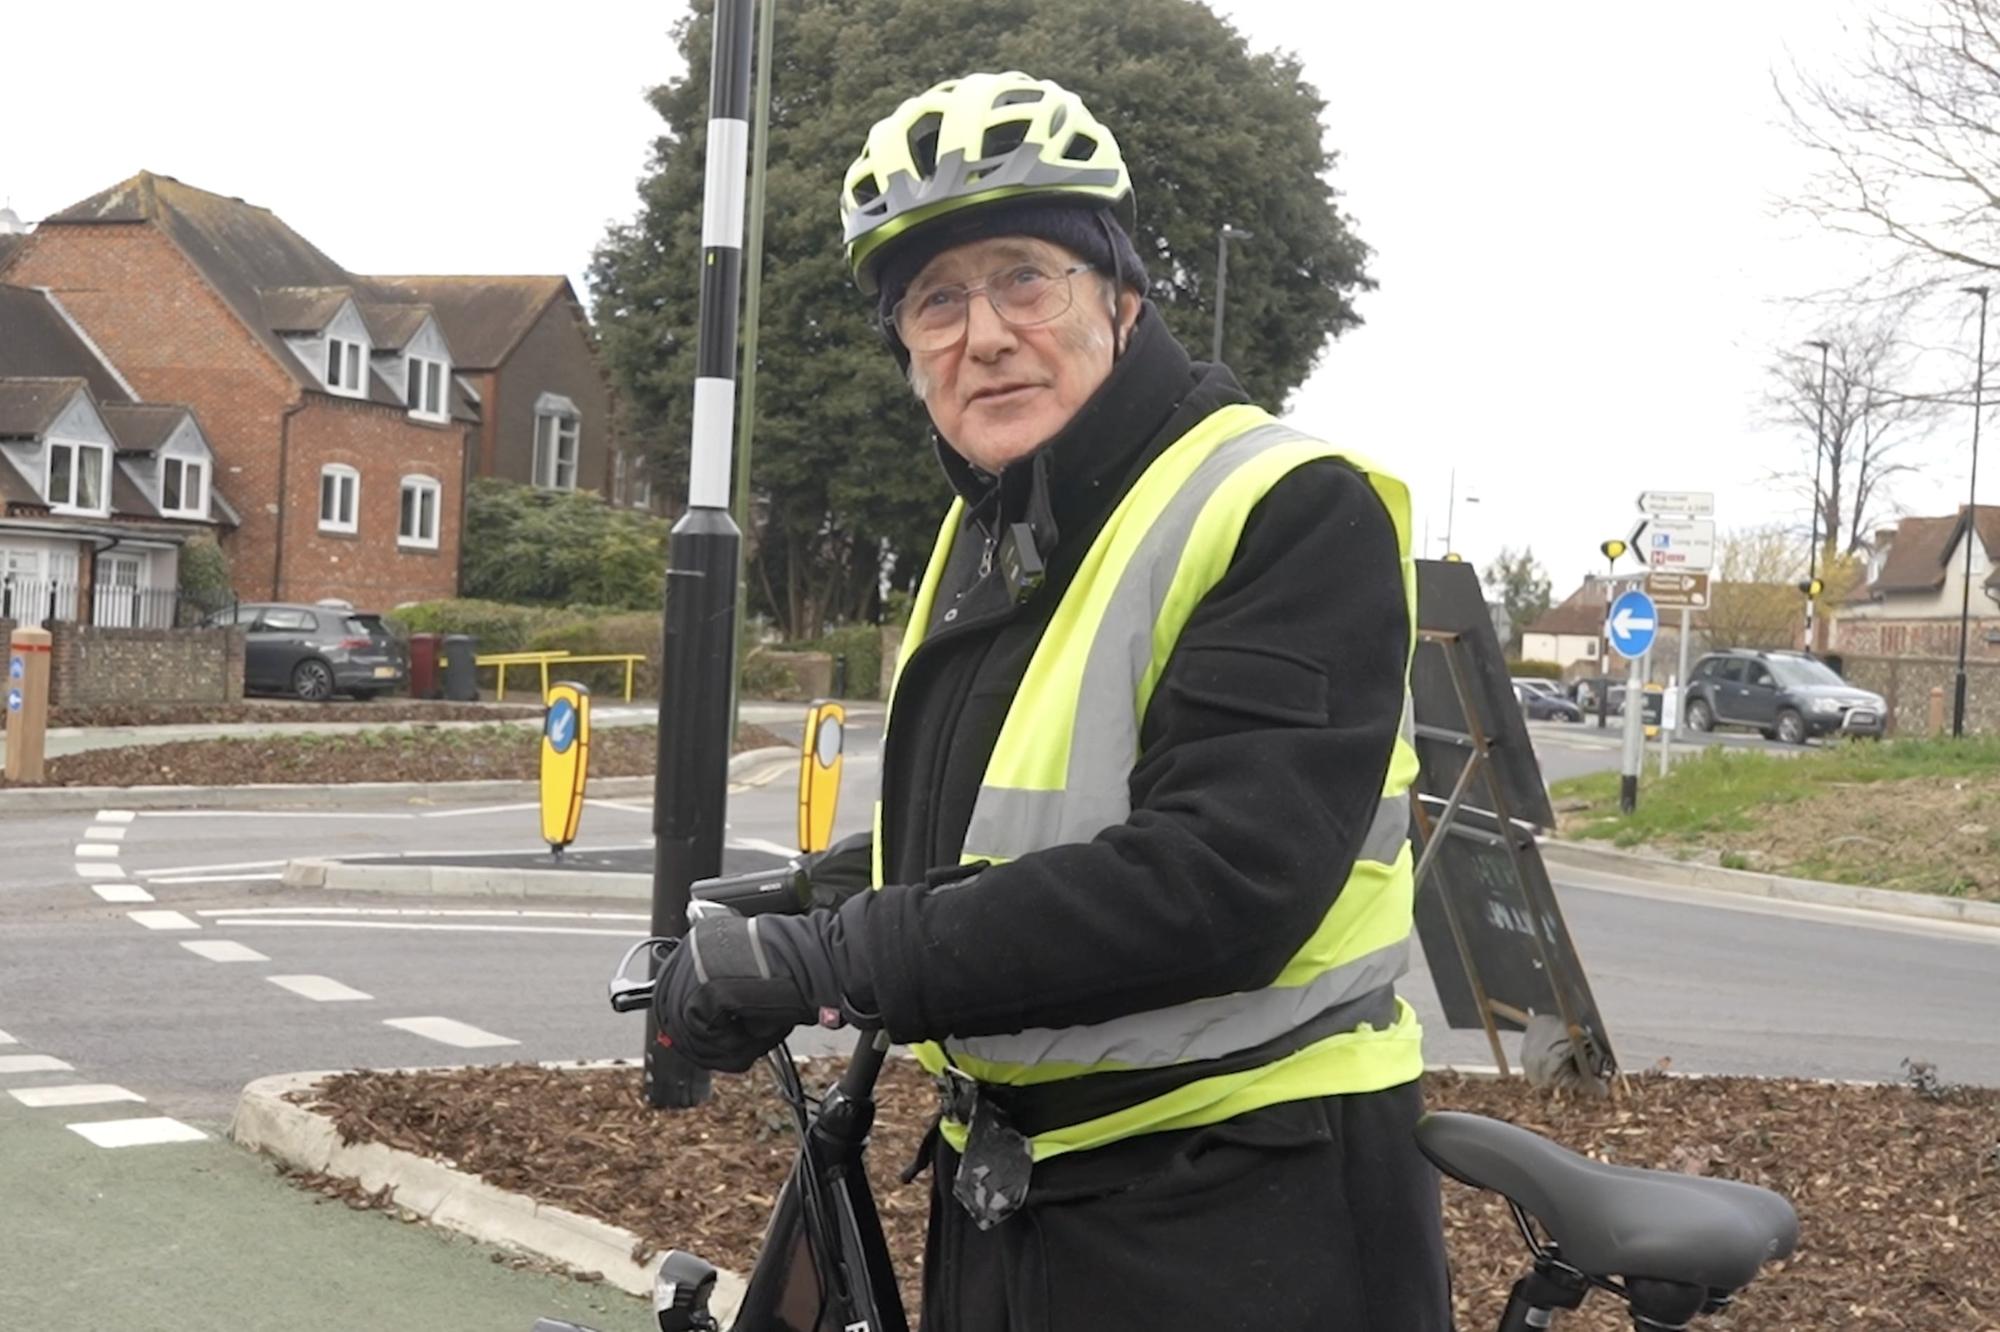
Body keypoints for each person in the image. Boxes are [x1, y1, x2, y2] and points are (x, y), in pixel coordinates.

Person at [654, 70, 1452, 1330]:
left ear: (1121, 297)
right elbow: (1004, 841)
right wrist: (806, 898)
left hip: (1243, 1205)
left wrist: (831, 957)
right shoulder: (994, 528)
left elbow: (1221, 881)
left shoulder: (1283, 506)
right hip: (1019, 1191)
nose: (982, 334)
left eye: (1025, 276)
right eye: (934, 301)